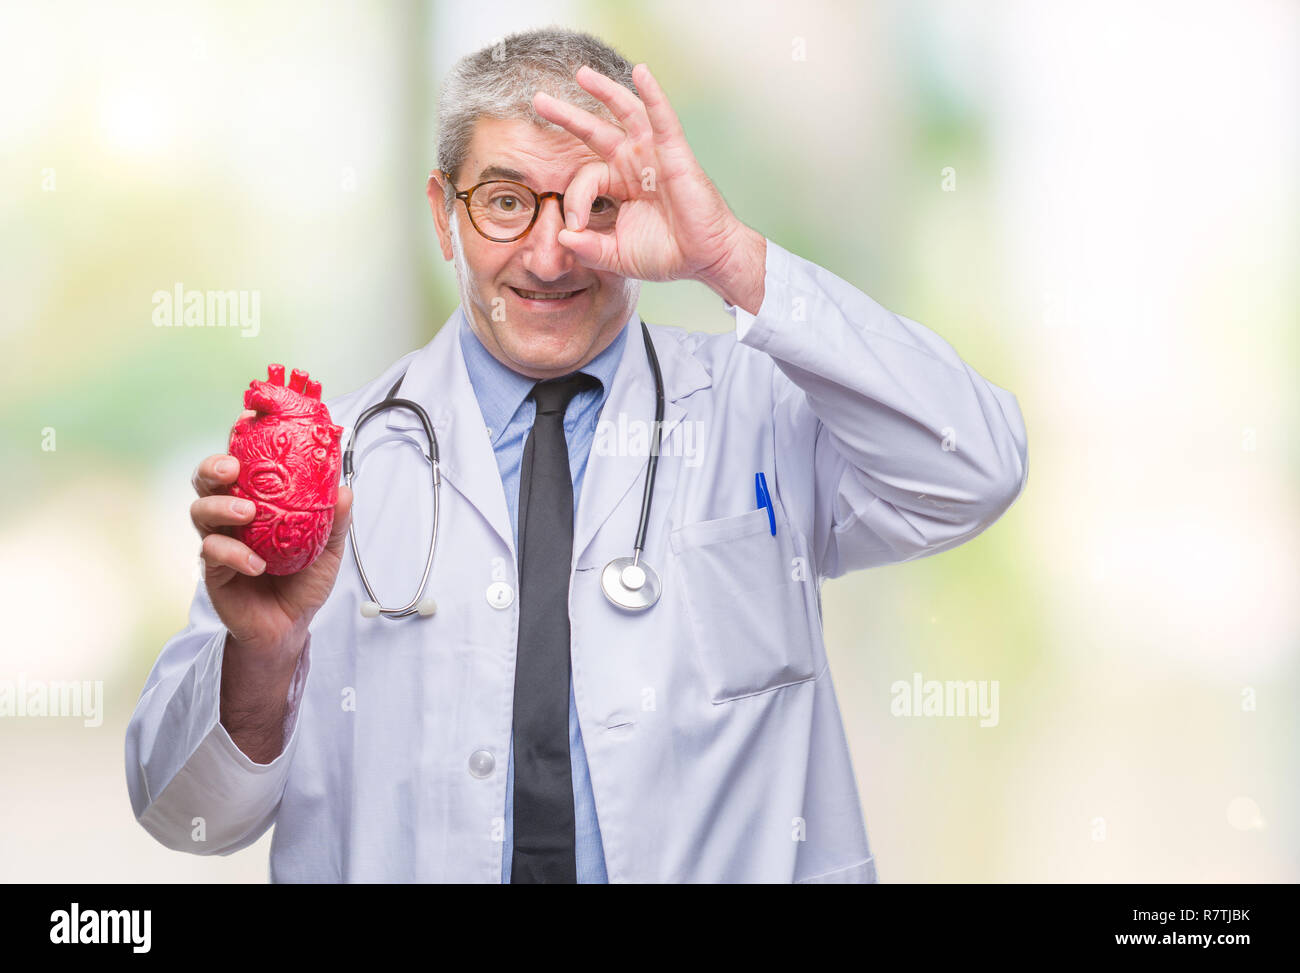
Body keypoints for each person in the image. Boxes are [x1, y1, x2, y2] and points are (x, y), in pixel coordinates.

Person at [125, 26, 1028, 883]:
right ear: (445, 215)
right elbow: (184, 812)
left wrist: (732, 259)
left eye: (598, 203)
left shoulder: (760, 411)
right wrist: (263, 657)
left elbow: (974, 466)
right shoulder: (336, 465)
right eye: (508, 202)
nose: (553, 253)